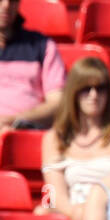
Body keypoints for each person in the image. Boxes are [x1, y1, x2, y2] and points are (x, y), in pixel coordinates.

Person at [37, 57, 110, 220]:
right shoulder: (55, 138)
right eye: (86, 89)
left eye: (100, 89)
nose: (94, 95)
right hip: (73, 212)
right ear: (73, 92)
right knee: (41, 212)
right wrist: (80, 215)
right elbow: (52, 193)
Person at [0, 0, 66, 130]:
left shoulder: (42, 45)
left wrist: (15, 121)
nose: (6, 5)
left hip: (26, 134)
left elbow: (57, 102)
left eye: (12, 0)